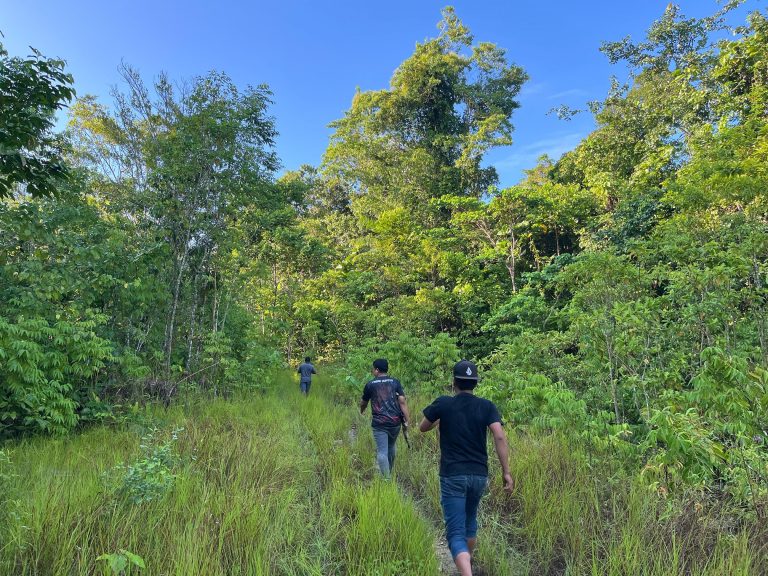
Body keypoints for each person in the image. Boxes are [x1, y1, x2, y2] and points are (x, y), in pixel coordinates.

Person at [419, 359, 513, 576]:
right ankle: (466, 564)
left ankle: (465, 572)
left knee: (454, 533)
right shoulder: (487, 406)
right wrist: (506, 471)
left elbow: (423, 427)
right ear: (475, 383)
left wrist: (440, 419)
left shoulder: (443, 404)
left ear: (454, 382)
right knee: (470, 520)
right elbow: (499, 435)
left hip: (453, 475)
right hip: (479, 475)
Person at [359, 358, 410, 479]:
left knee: (382, 451)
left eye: (373, 369)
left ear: (377, 370)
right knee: (391, 446)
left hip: (379, 423)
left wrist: (361, 411)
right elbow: (402, 401)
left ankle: (386, 479)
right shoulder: (395, 382)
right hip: (395, 422)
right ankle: (389, 472)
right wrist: (407, 420)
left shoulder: (370, 384)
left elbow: (363, 402)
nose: (372, 371)